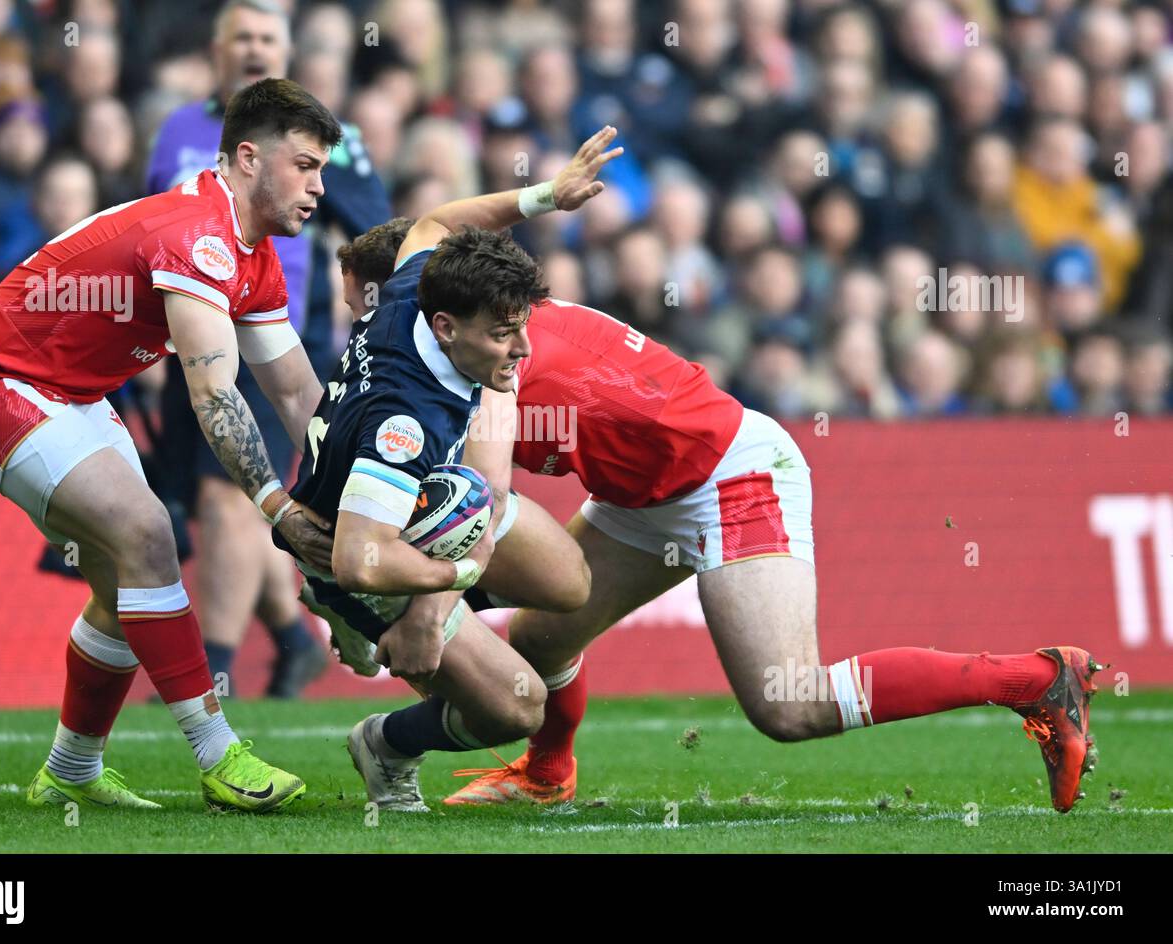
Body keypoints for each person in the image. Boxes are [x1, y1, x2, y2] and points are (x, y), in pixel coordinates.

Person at [330, 223, 1107, 816]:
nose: (366, 332)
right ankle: (545, 775)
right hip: (641, 494)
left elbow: (483, 503)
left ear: (419, 305)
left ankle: (1035, 681)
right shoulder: (479, 326)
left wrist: (426, 611)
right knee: (539, 641)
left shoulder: (495, 360)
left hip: (731, 474)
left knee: (788, 704)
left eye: (371, 313)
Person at [0, 78, 338, 813]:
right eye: (305, 165)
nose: (318, 186)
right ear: (249, 157)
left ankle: (69, 774)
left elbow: (301, 399)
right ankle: (220, 757)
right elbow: (215, 398)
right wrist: (280, 507)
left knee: (130, 584)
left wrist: (360, 495)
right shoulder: (200, 235)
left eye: (322, 170)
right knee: (147, 533)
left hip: (74, 393)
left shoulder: (253, 250)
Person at [275, 128, 621, 812]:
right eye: (502, 335)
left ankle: (432, 627)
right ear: (446, 330)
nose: (522, 349)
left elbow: (435, 221)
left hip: (421, 511)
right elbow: (359, 557)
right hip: (365, 539)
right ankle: (386, 740)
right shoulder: (405, 425)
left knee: (569, 581)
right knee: (517, 708)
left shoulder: (414, 287)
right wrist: (445, 587)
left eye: (521, 326)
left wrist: (547, 195)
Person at [146, 0, 391, 698]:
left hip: (274, 328)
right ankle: (290, 634)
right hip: (182, 334)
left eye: (267, 38)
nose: (254, 48)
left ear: (284, 52)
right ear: (218, 50)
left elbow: (379, 227)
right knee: (204, 499)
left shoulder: (309, 135)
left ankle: (214, 670)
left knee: (229, 497)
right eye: (242, 37)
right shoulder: (175, 129)